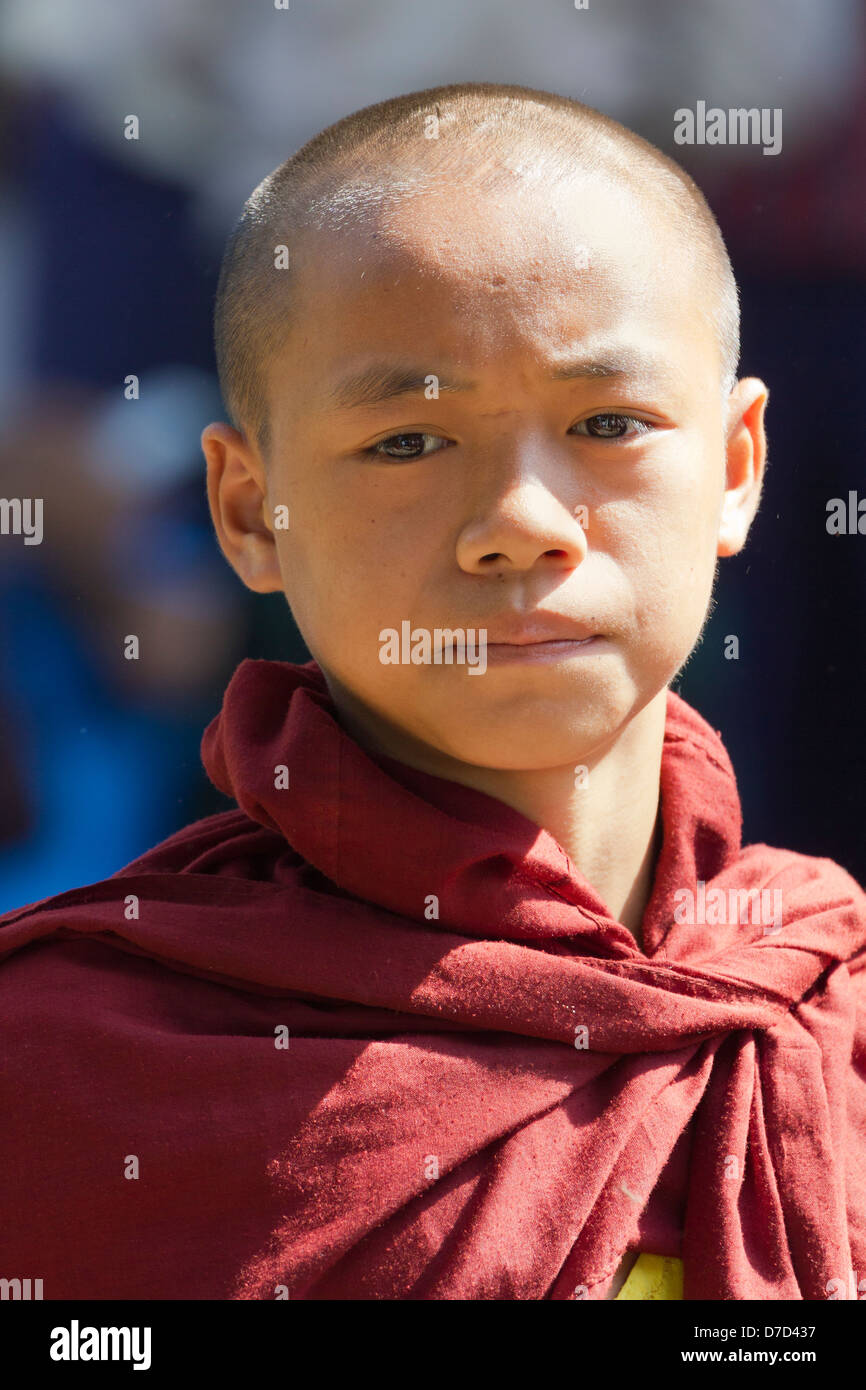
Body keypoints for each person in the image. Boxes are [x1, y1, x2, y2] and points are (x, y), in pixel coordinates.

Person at [1, 81, 864, 1301]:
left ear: (733, 471)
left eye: (606, 420)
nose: (516, 524)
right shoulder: (64, 1075)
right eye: (406, 441)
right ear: (250, 509)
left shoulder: (822, 1003)